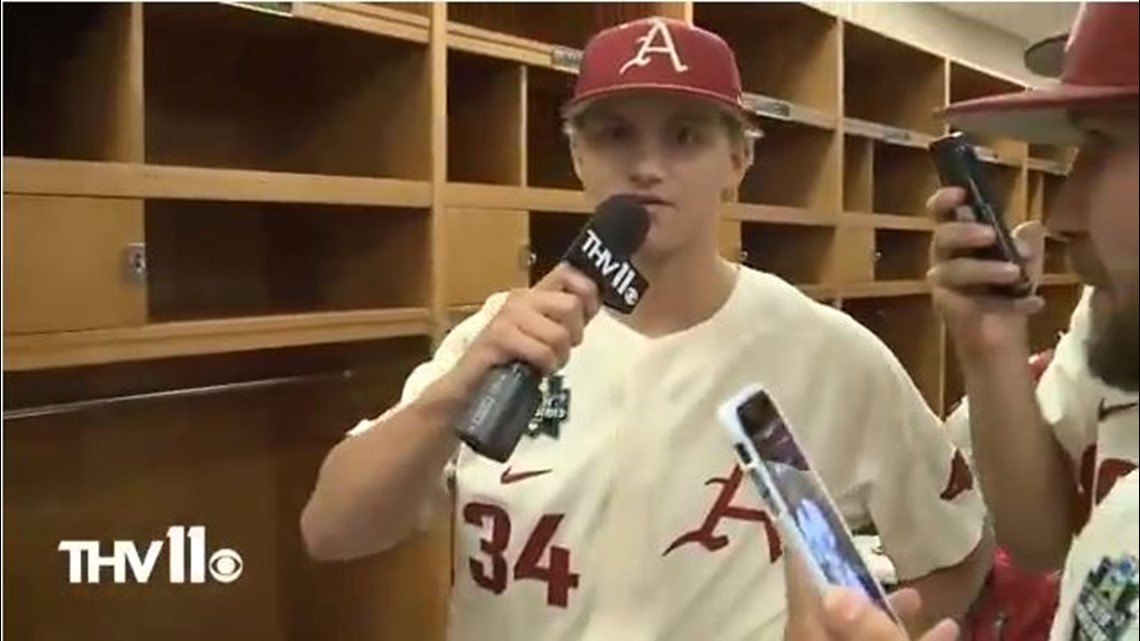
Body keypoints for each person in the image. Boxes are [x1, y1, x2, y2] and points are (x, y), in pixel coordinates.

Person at [300, 17, 991, 641]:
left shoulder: (830, 353)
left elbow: (957, 553)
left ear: (737, 160)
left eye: (685, 134)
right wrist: (453, 394)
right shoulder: (498, 340)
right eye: (614, 132)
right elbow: (330, 529)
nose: (646, 165)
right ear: (576, 156)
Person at [784, 3, 1139, 639]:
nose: (1062, 215)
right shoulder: (1116, 314)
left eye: (1103, 146)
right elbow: (1041, 541)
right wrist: (990, 347)